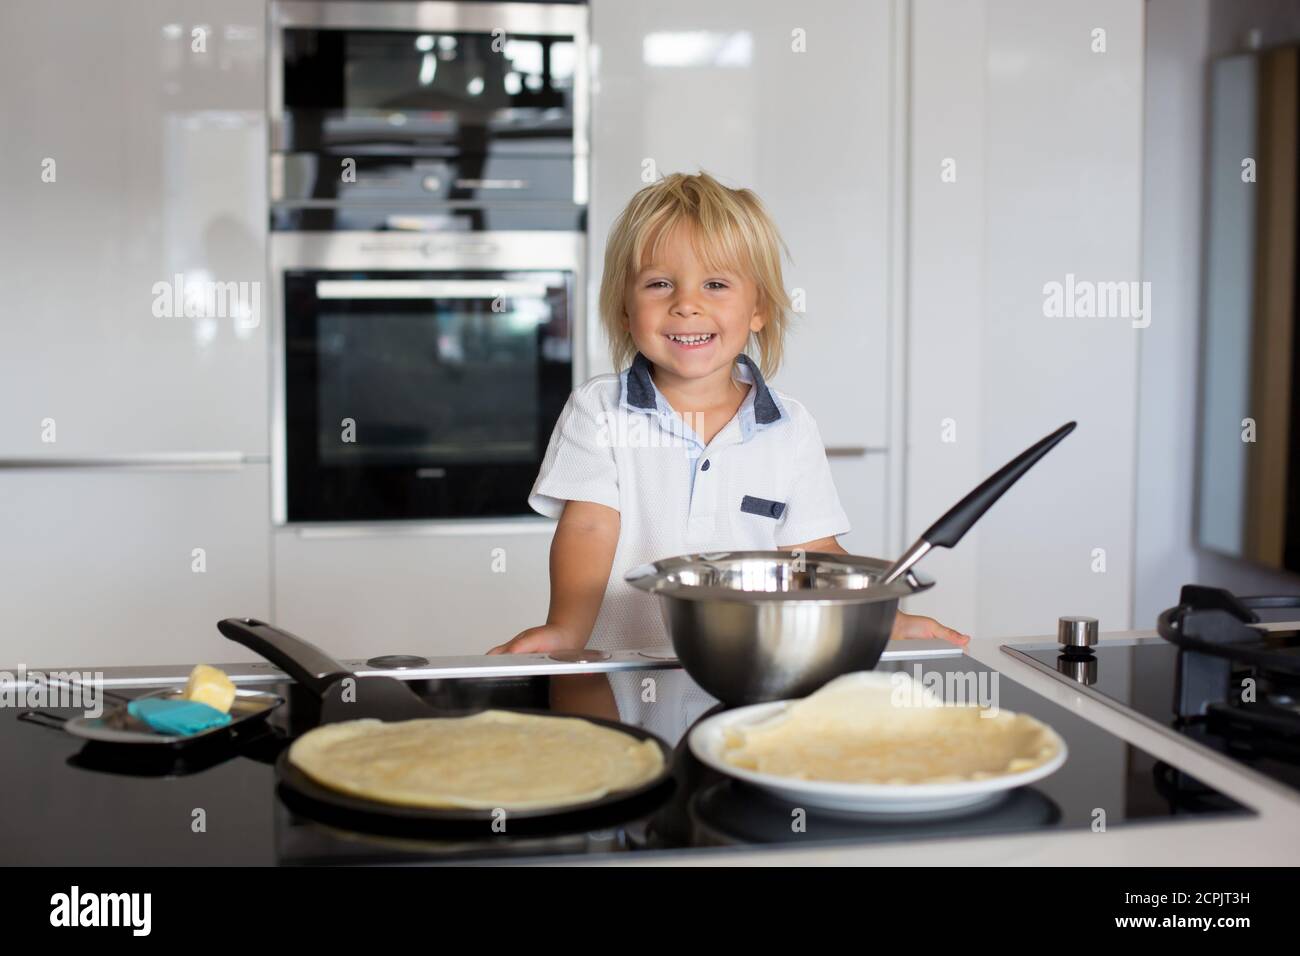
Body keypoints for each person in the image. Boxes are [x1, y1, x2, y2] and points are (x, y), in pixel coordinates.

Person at [488, 171, 968, 742]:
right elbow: (590, 525)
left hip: (756, 689)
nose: (687, 305)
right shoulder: (600, 409)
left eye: (715, 284)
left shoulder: (790, 426)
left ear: (758, 308)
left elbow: (813, 552)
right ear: (623, 309)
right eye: (660, 284)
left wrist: (879, 622)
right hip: (614, 678)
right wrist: (567, 630)